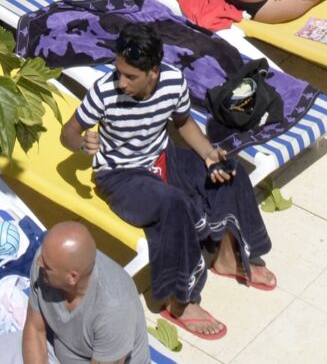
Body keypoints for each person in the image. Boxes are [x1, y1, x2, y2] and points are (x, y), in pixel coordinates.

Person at [62, 27, 272, 344]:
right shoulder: (104, 92)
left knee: (231, 171)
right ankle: (179, 301)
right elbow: (68, 133)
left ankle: (228, 257)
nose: (121, 82)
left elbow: (184, 123)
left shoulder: (173, 82)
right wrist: (82, 143)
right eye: (119, 72)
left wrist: (209, 155)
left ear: (154, 72)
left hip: (163, 159)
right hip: (121, 177)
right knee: (174, 204)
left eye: (131, 76)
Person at [1, 221, 151, 364]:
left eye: (47, 265)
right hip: (56, 348)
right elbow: (35, 328)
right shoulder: (45, 262)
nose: (39, 262)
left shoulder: (114, 308)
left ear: (72, 277)